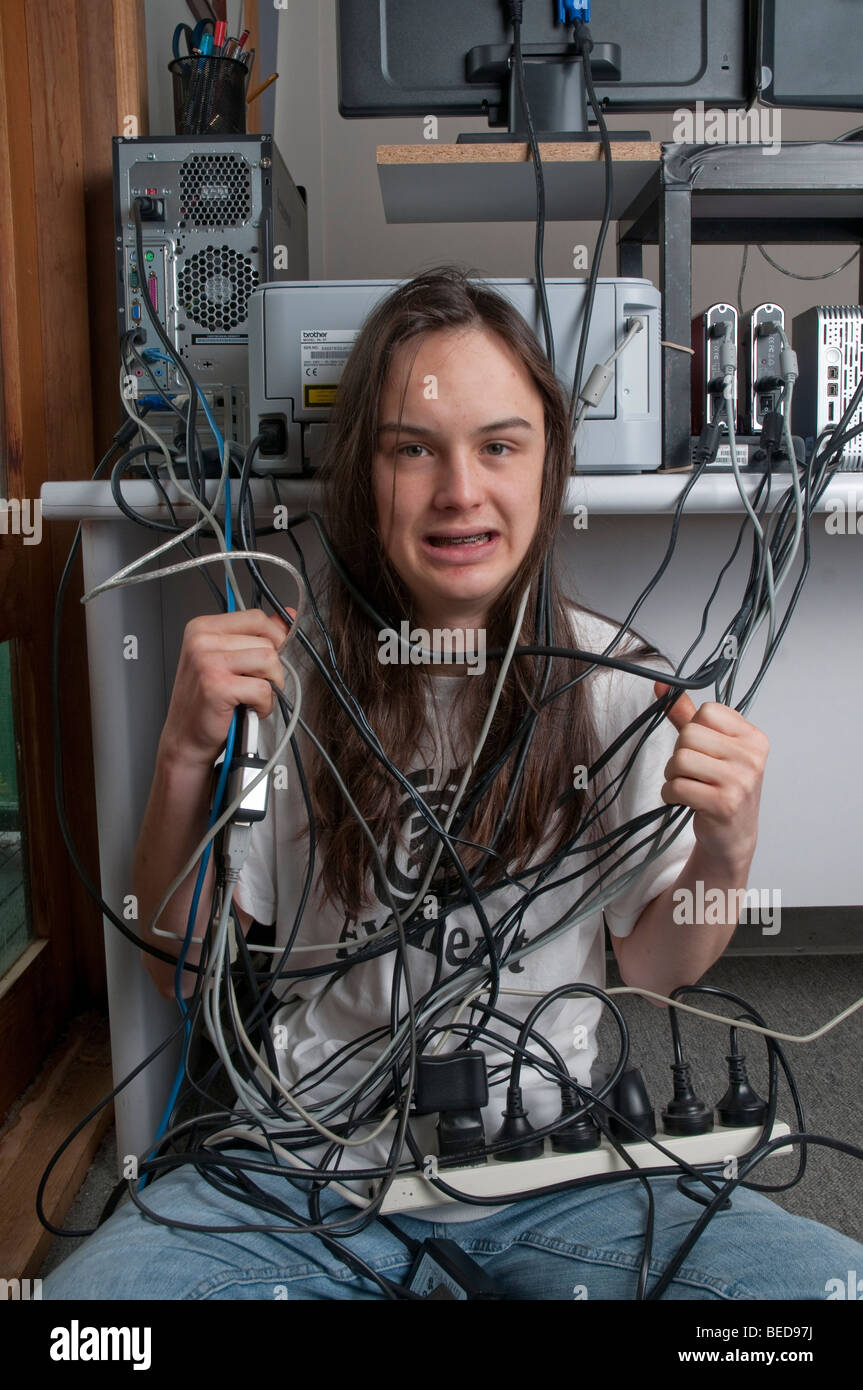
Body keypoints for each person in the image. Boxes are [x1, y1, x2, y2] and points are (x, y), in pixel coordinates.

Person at [44, 265, 863, 1301]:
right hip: (305, 1173)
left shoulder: (619, 690)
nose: (459, 491)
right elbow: (182, 961)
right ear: (362, 474)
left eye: (497, 447)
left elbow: (652, 967)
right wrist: (178, 757)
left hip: (559, 1171)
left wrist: (727, 848)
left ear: (545, 467)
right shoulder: (283, 682)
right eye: (411, 450)